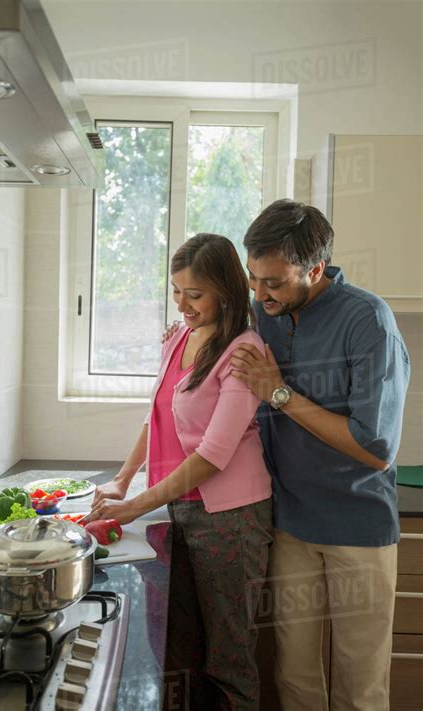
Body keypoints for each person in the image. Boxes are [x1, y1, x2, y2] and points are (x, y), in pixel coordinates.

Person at [229, 199, 410, 711]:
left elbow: (376, 449)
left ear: (315, 269)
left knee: (360, 683)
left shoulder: (367, 319)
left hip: (359, 527)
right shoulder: (261, 312)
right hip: (289, 523)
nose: (261, 294)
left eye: (275, 282)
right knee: (295, 676)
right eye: (253, 278)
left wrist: (279, 393)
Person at [87, 233, 273, 710]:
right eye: (176, 290)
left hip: (230, 519)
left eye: (195, 294)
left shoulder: (243, 350)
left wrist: (133, 507)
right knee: (179, 646)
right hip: (178, 510)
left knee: (228, 658)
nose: (182, 303)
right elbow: (158, 416)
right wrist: (123, 479)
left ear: (226, 291)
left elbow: (214, 454)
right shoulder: (181, 337)